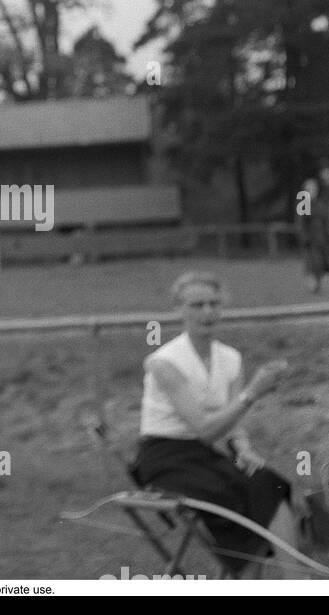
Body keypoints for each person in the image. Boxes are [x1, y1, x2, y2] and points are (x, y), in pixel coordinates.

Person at [132, 271, 297, 576]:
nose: (207, 312)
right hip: (164, 457)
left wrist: (242, 448)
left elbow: (232, 420)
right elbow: (205, 429)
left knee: (267, 482)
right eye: (197, 305)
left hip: (204, 454)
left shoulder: (230, 358)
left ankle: (298, 582)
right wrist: (253, 393)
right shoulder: (164, 362)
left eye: (213, 304)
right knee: (230, 497)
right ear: (179, 309)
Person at [298, 172, 329, 295]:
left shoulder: (321, 203)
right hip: (312, 241)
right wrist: (305, 239)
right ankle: (315, 286)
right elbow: (301, 223)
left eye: (313, 188)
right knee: (314, 264)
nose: (312, 191)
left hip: (324, 239)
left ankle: (320, 285)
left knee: (323, 263)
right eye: (309, 188)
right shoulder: (304, 202)